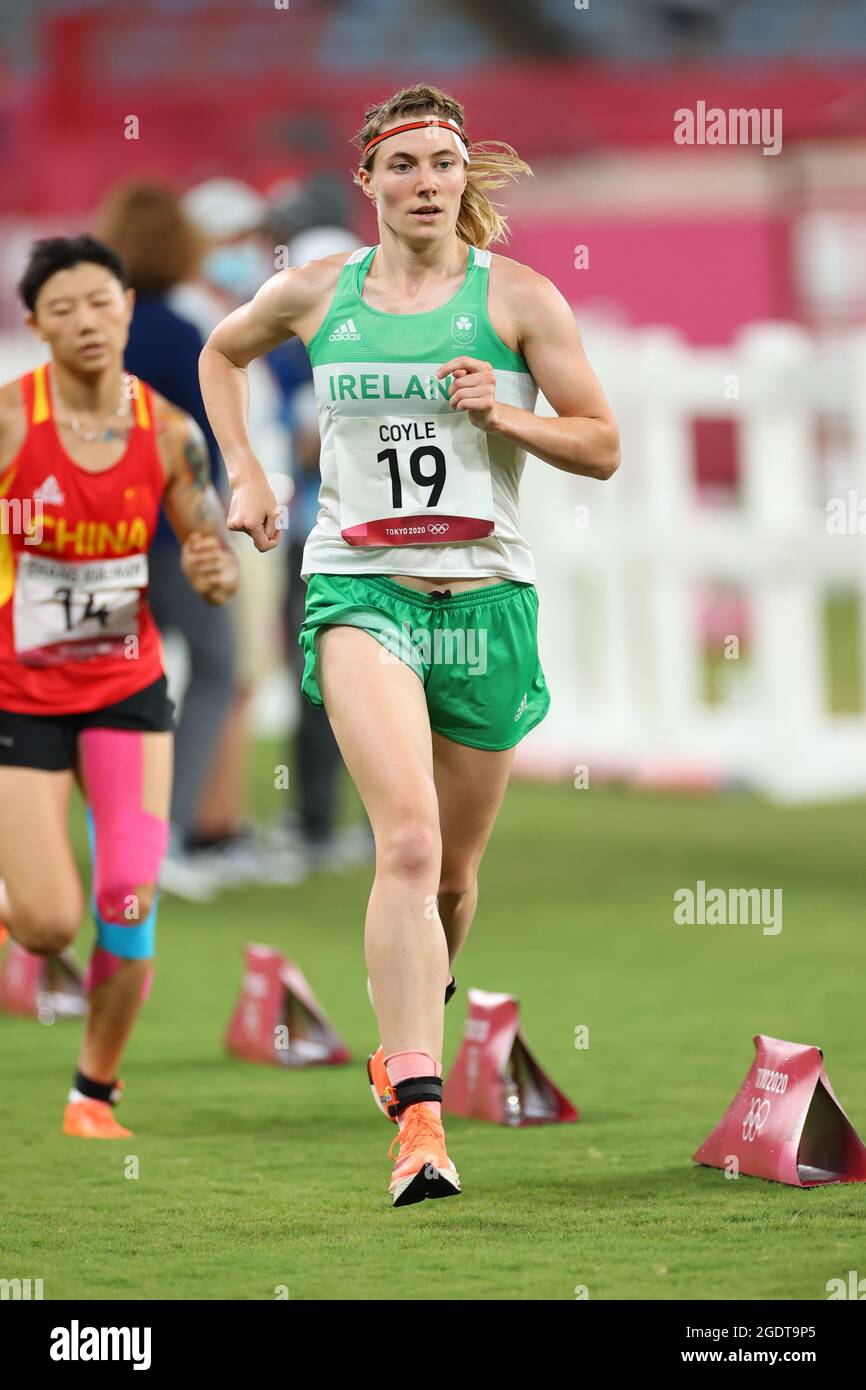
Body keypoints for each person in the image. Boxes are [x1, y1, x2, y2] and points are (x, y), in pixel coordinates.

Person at [199, 84, 619, 1206]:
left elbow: (600, 444)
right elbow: (219, 354)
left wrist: (508, 415)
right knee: (408, 845)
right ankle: (421, 1124)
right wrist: (245, 469)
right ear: (370, 184)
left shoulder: (518, 299)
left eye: (442, 165)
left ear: (462, 180)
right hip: (360, 591)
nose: (424, 183)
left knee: (454, 878)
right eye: (403, 167)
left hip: (484, 604)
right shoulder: (316, 294)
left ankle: (404, 1032)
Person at [0, 235, 238, 1138]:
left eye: (101, 302)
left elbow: (207, 553)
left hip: (126, 694)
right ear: (34, 326)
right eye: (62, 310)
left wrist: (216, 570)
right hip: (17, 698)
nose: (86, 322)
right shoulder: (12, 424)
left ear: (128, 307)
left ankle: (92, 1095)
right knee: (50, 928)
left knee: (129, 900)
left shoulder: (171, 430)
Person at [95, 180, 239, 903]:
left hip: (97, 540)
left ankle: (110, 839)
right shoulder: (185, 335)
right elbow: (203, 452)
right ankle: (165, 836)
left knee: (113, 688)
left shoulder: (98, 333)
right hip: (173, 536)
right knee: (215, 667)